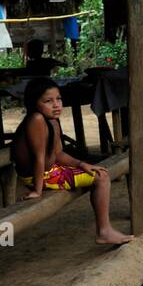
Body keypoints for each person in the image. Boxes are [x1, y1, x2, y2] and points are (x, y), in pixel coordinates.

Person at [10, 77, 132, 245]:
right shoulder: (36, 119)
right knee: (101, 178)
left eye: (58, 99)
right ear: (34, 103)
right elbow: (39, 157)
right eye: (48, 101)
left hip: (49, 172)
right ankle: (104, 231)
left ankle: (105, 230)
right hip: (40, 177)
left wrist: (82, 164)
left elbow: (58, 154)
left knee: (99, 172)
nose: (56, 104)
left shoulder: (52, 121)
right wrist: (37, 191)